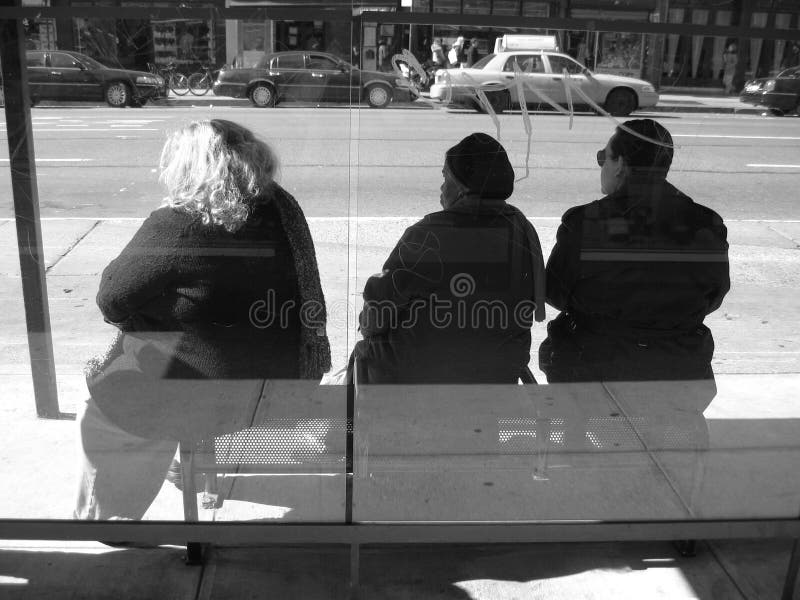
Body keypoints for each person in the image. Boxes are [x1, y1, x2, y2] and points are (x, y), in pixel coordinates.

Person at [75, 119, 331, 520]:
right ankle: (198, 465)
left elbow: (112, 300)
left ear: (190, 167)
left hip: (210, 394)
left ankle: (111, 521)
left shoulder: (178, 223)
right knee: (199, 344)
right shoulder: (283, 208)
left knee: (102, 408)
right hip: (281, 376)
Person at [539, 119, 729, 384]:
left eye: (602, 157)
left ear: (620, 165)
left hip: (591, 376)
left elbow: (555, 294)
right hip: (679, 375)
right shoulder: (705, 223)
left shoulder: (585, 224)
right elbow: (714, 297)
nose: (601, 165)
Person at [353, 132, 546, 384]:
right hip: (495, 379)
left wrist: (368, 328)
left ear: (463, 187)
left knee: (362, 354)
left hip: (418, 381)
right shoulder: (523, 230)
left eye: (445, 177)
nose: (442, 187)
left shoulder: (428, 235)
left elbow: (377, 313)